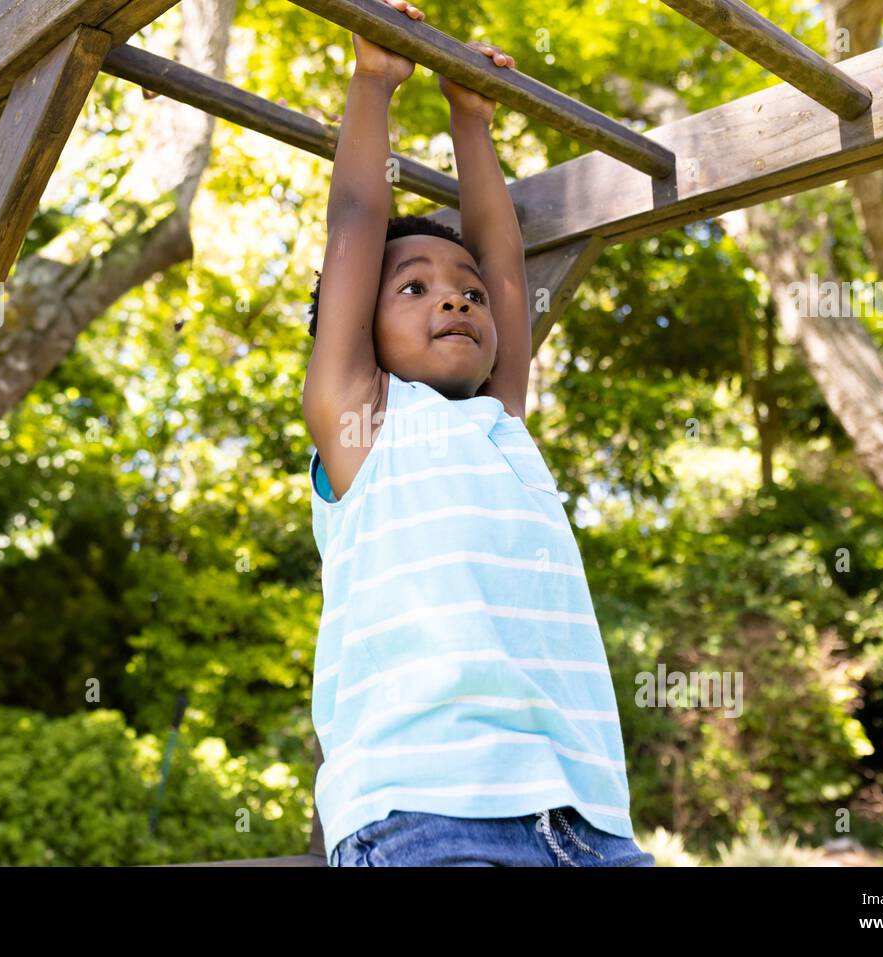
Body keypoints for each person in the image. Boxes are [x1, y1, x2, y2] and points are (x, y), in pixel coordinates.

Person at [302, 0, 654, 868]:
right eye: (413, 288)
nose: (457, 297)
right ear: (358, 328)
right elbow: (356, 219)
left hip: (587, 817)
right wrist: (374, 80)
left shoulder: (502, 422)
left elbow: (504, 263)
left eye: (465, 291)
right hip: (422, 811)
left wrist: (471, 120)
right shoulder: (363, 421)